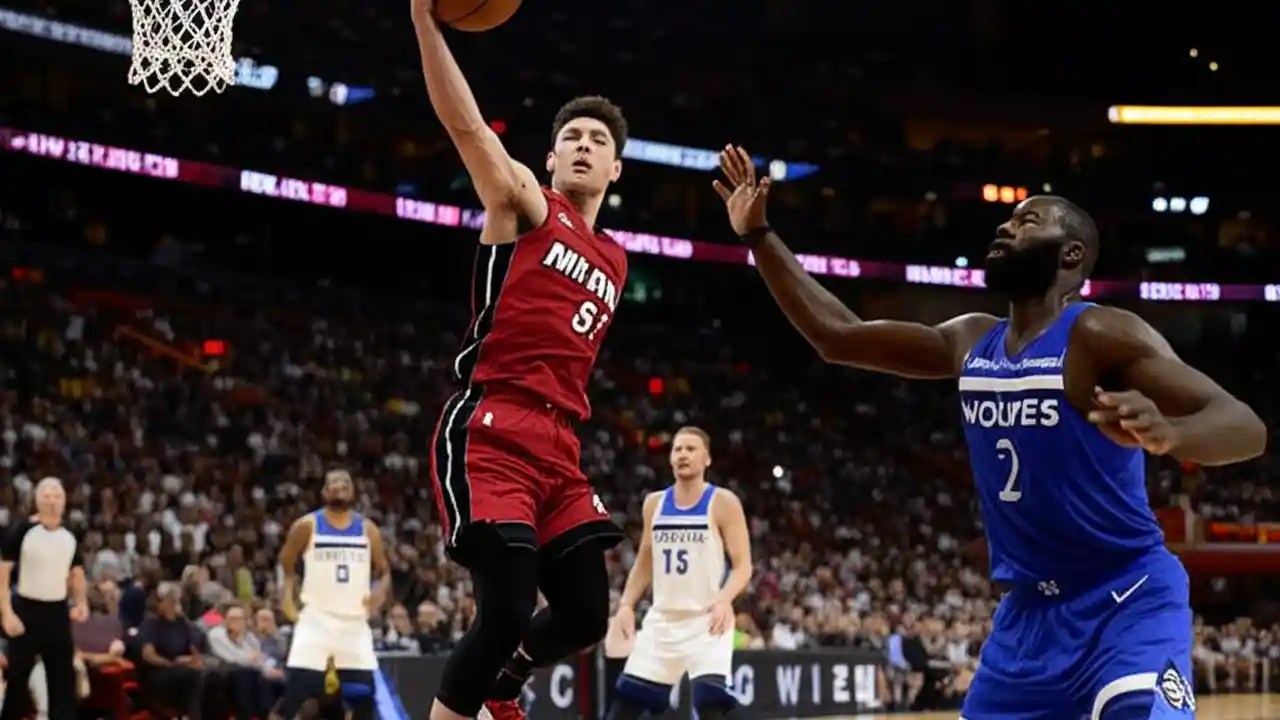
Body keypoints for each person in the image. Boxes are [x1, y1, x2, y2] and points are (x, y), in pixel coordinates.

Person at [711, 145, 1267, 719]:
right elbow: (837, 336)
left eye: (1027, 221)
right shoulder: (971, 339)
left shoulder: (1098, 334)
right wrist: (759, 237)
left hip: (1123, 598)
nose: (1006, 226)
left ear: (1071, 254)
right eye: (1007, 219)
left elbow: (1244, 426)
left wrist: (1169, 432)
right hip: (1026, 619)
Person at [410, 2, 631, 719]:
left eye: (598, 140)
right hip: (493, 429)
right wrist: (427, 22)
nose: (583, 145)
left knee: (587, 615)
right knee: (503, 610)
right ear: (549, 158)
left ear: (616, 166)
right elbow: (468, 129)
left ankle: (503, 687)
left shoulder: (618, 262)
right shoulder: (528, 204)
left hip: (560, 448)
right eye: (570, 136)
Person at [606, 428, 751, 720]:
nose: (683, 454)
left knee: (711, 706)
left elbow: (743, 565)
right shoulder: (654, 503)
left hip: (707, 621)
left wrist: (724, 599)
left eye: (691, 449)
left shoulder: (723, 502)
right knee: (624, 708)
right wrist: (626, 605)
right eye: (677, 449)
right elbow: (645, 562)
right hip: (663, 622)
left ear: (707, 459)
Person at [274, 470, 391, 720]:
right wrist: (287, 597)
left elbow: (384, 572)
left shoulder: (368, 529)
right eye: (333, 484)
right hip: (316, 620)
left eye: (345, 483)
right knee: (295, 695)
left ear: (353, 491)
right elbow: (286, 562)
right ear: (324, 492)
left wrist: (379, 593)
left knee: (363, 698)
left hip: (354, 624)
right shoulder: (307, 526)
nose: (339, 487)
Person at [0, 477, 87, 720]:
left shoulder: (69, 535)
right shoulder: (22, 531)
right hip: (25, 609)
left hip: (57, 611)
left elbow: (77, 572)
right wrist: (6, 613)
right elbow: (3, 573)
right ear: (36, 500)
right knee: (17, 678)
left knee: (63, 680)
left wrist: (81, 602)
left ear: (64, 502)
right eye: (46, 496)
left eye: (56, 496)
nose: (51, 501)